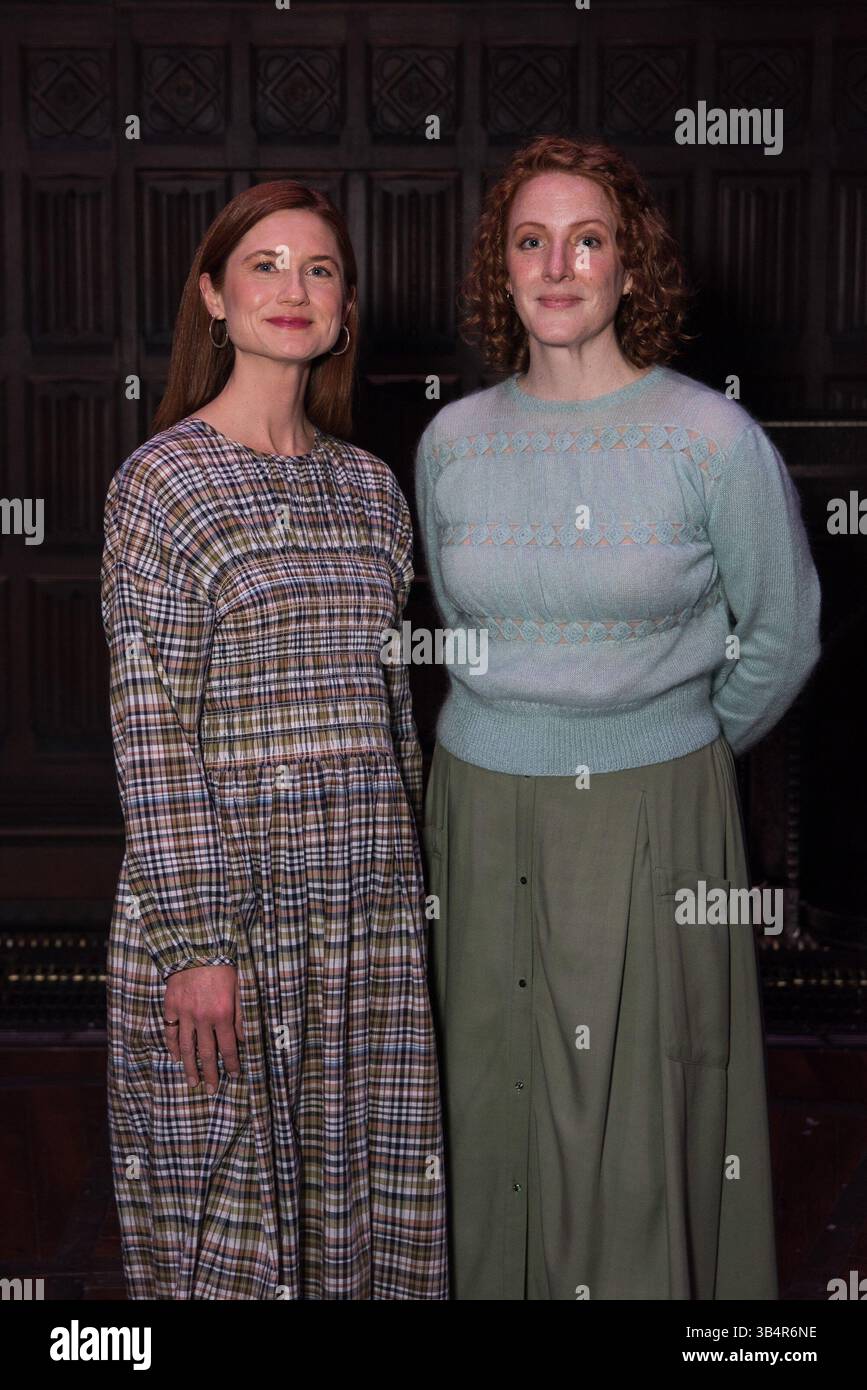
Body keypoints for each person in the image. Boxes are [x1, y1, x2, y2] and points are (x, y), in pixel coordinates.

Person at [414, 134, 821, 1300]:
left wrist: (673, 752)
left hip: (656, 815)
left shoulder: (713, 440)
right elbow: (465, 630)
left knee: (645, 1117)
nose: (557, 266)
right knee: (492, 1096)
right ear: (501, 269)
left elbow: (783, 634)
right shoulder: (450, 443)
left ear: (629, 266)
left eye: (586, 240)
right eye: (530, 241)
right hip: (480, 813)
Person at [101, 180, 448, 1300]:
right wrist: (195, 944)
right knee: (231, 1225)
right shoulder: (161, 483)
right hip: (229, 900)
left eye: (319, 269)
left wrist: (414, 891)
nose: (293, 289)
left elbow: (391, 715)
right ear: (213, 295)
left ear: (343, 311)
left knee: (362, 1201)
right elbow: (151, 726)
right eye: (265, 264)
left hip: (366, 905)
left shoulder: (372, 490)